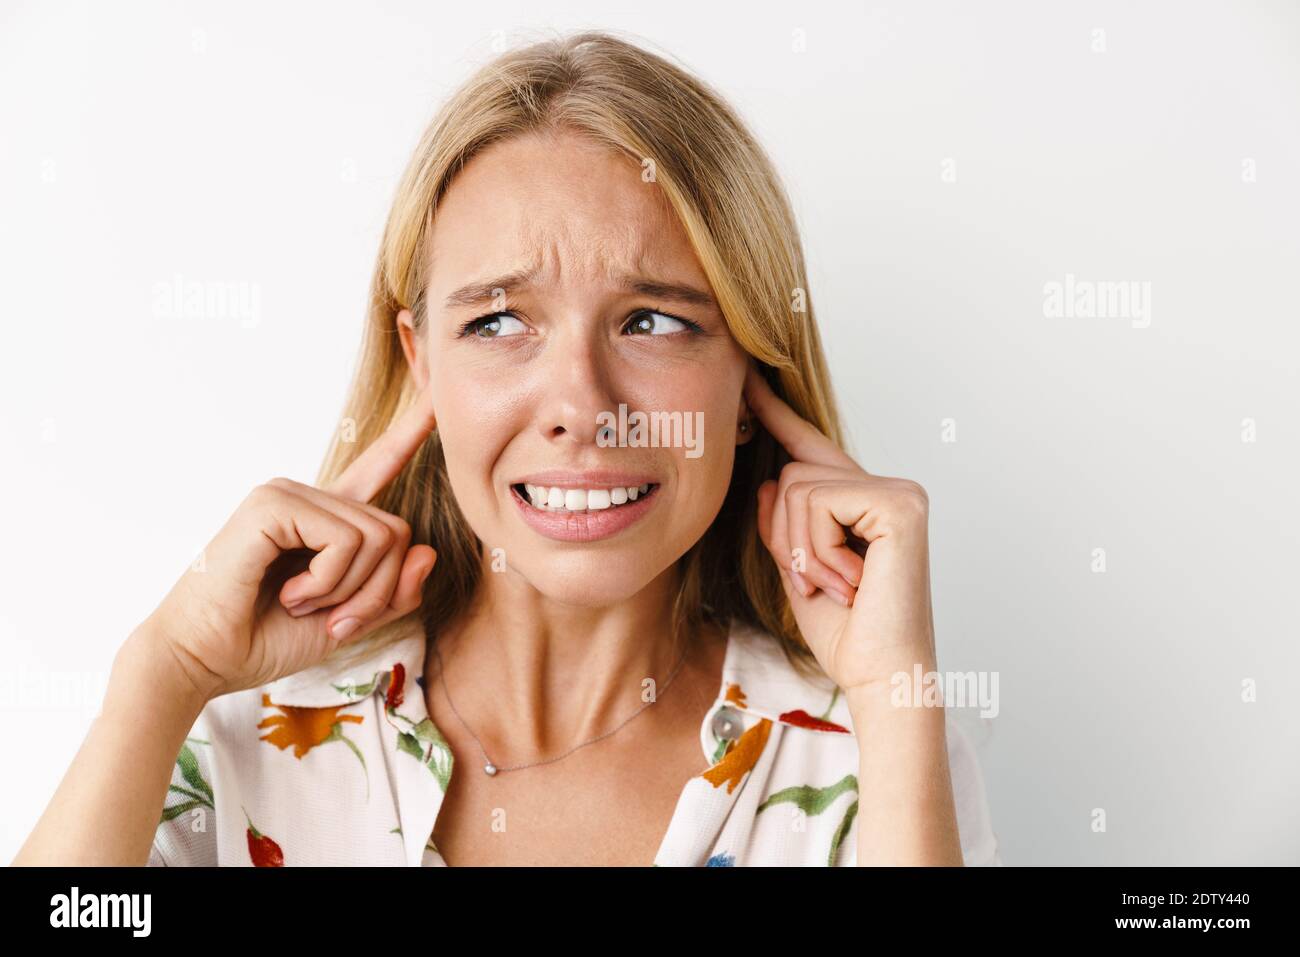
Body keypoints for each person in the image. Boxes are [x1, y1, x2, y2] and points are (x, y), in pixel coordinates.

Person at [13, 29, 1000, 867]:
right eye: (496, 322)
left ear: (749, 377)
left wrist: (893, 697)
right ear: (421, 364)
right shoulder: (244, 743)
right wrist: (160, 671)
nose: (580, 405)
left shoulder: (867, 748)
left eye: (653, 321)